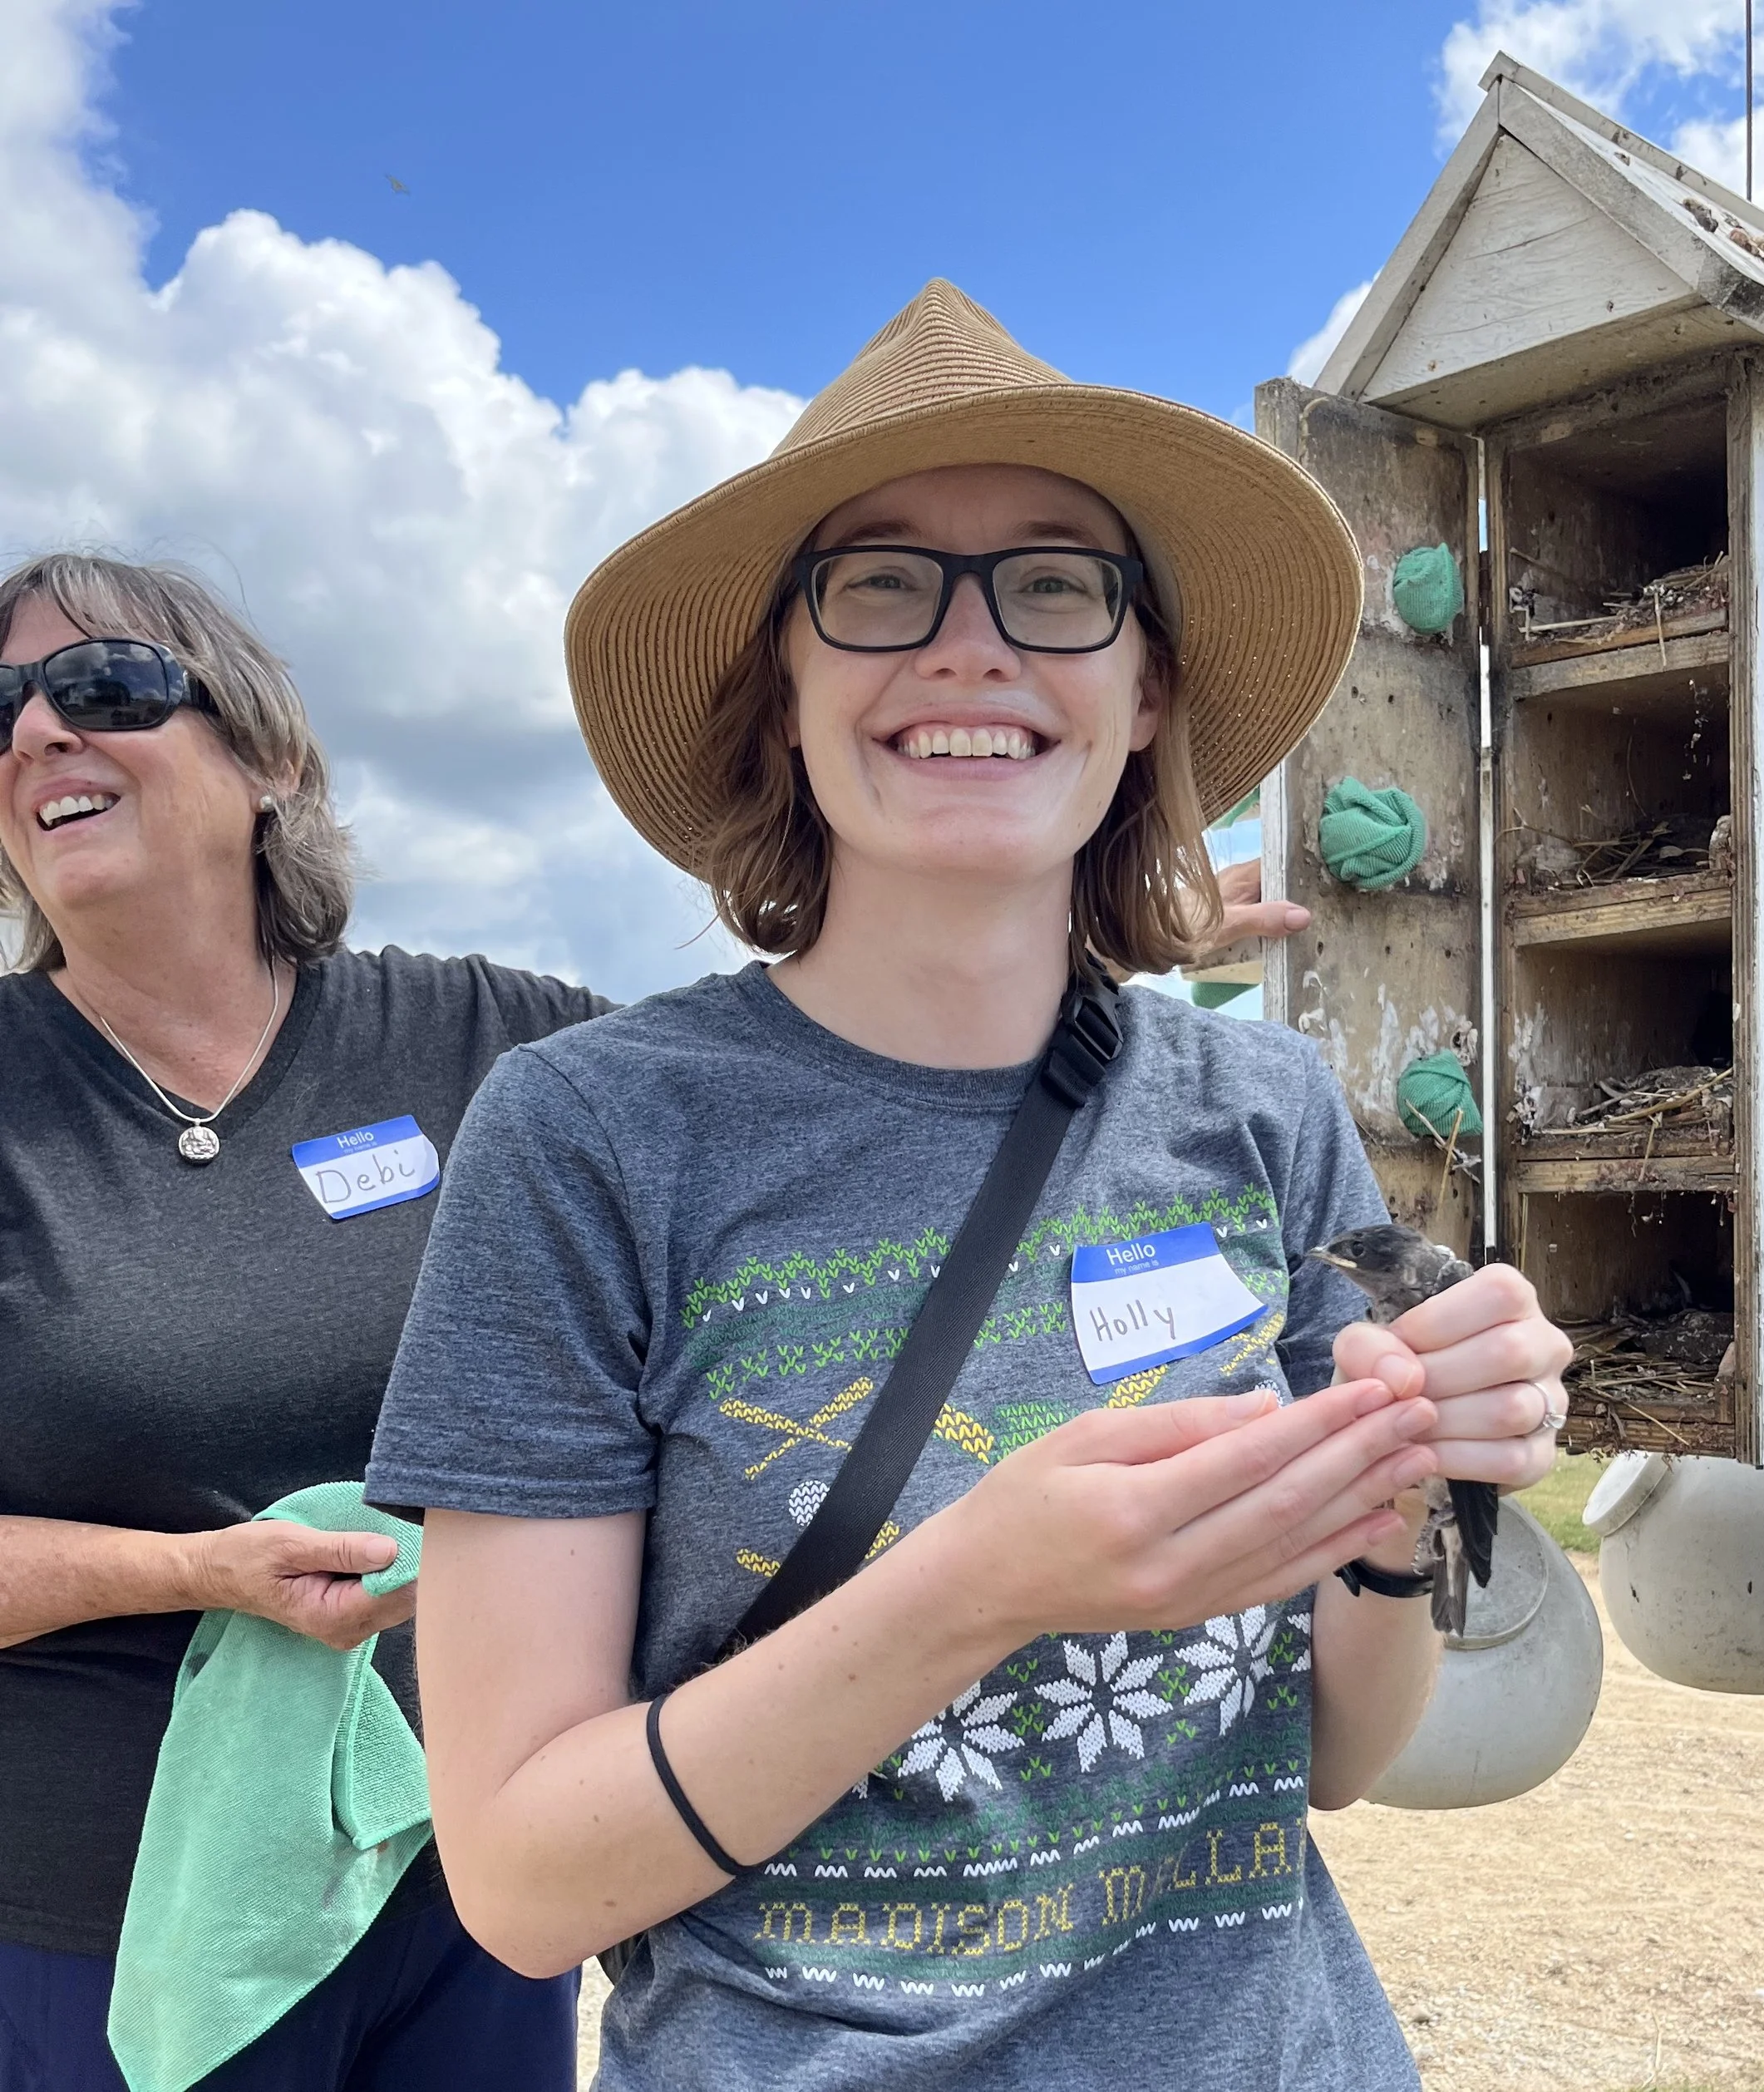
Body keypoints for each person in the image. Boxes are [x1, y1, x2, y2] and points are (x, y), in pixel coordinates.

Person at [366, 281, 1571, 2091]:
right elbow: (526, 1883)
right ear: (780, 689)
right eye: (878, 586)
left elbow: (1332, 1750)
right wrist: (974, 1585)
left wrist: (1410, 1485)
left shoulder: (1256, 1106)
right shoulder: (587, 1136)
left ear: (1141, 681)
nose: (969, 650)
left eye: (1056, 585)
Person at [0, 555, 606, 2090]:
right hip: (103, 1923)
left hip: (464, 1862)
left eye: (106, 687)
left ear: (272, 758)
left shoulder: (487, 1037)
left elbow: (800, 1074)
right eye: (0, 709)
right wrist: (196, 1573)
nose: (36, 736)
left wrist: (1098, 920)